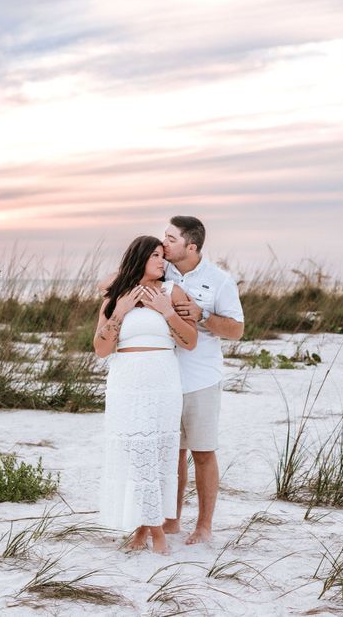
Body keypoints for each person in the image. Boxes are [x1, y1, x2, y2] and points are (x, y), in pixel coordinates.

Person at [94, 236, 197, 554]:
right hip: (127, 383)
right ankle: (152, 530)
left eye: (163, 256)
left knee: (157, 454)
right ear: (140, 258)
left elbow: (189, 341)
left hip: (162, 381)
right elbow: (101, 349)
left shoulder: (172, 292)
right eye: (155, 255)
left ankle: (147, 530)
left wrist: (167, 312)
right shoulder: (115, 297)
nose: (162, 261)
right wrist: (119, 312)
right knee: (133, 454)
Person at [159, 216, 244, 545]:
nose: (163, 243)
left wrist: (202, 316)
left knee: (202, 452)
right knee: (172, 454)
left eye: (171, 239)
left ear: (190, 246)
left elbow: (236, 330)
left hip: (201, 379)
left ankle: (204, 527)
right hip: (163, 378)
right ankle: (171, 521)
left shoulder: (219, 280)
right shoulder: (158, 269)